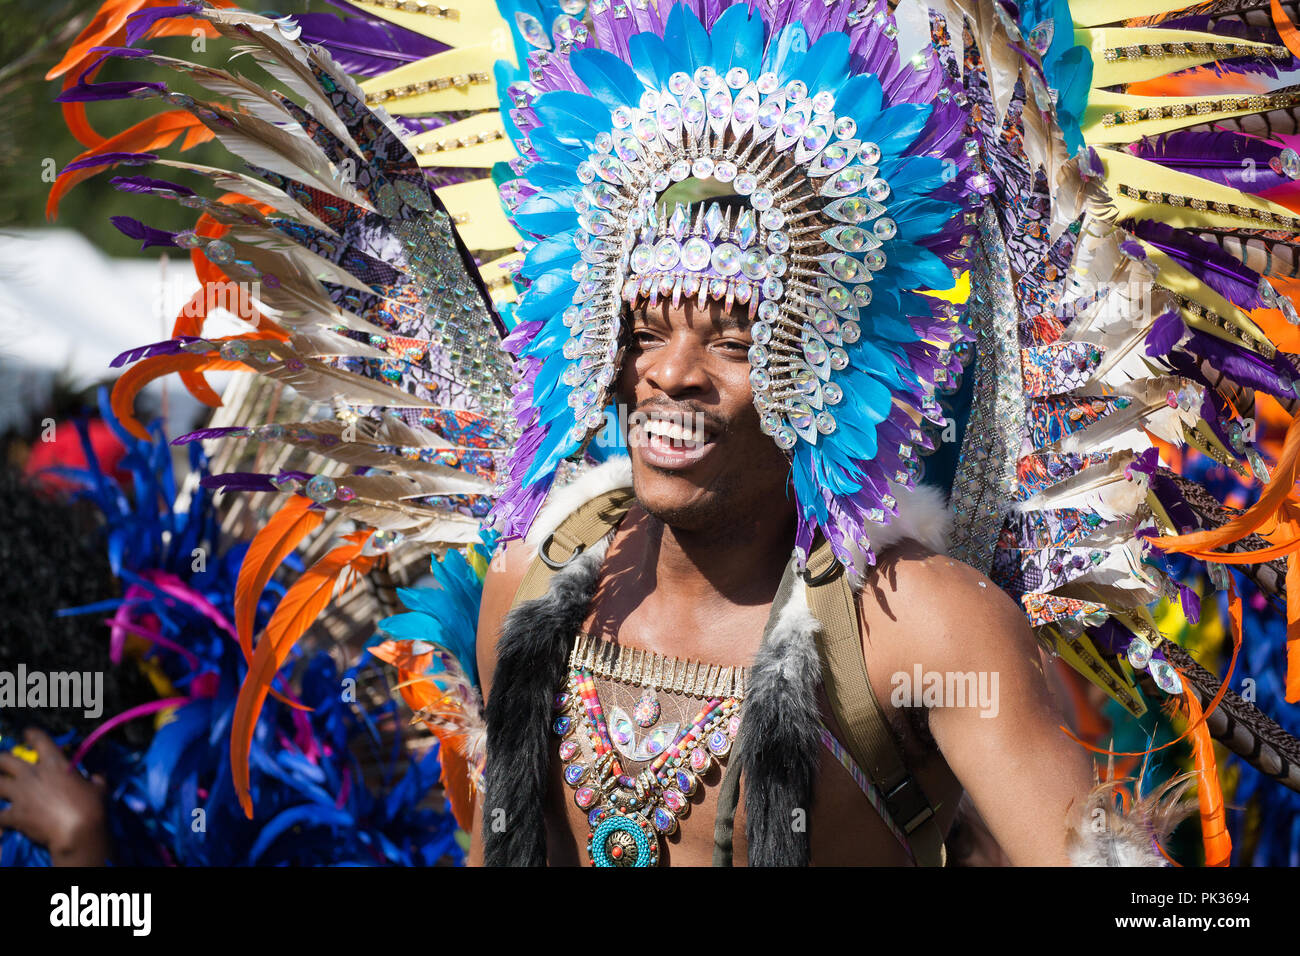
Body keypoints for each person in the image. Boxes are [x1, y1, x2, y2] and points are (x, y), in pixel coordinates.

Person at [468, 293, 1099, 866]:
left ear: (826, 378)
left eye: (735, 346)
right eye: (644, 336)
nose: (670, 374)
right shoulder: (532, 579)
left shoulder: (919, 620)